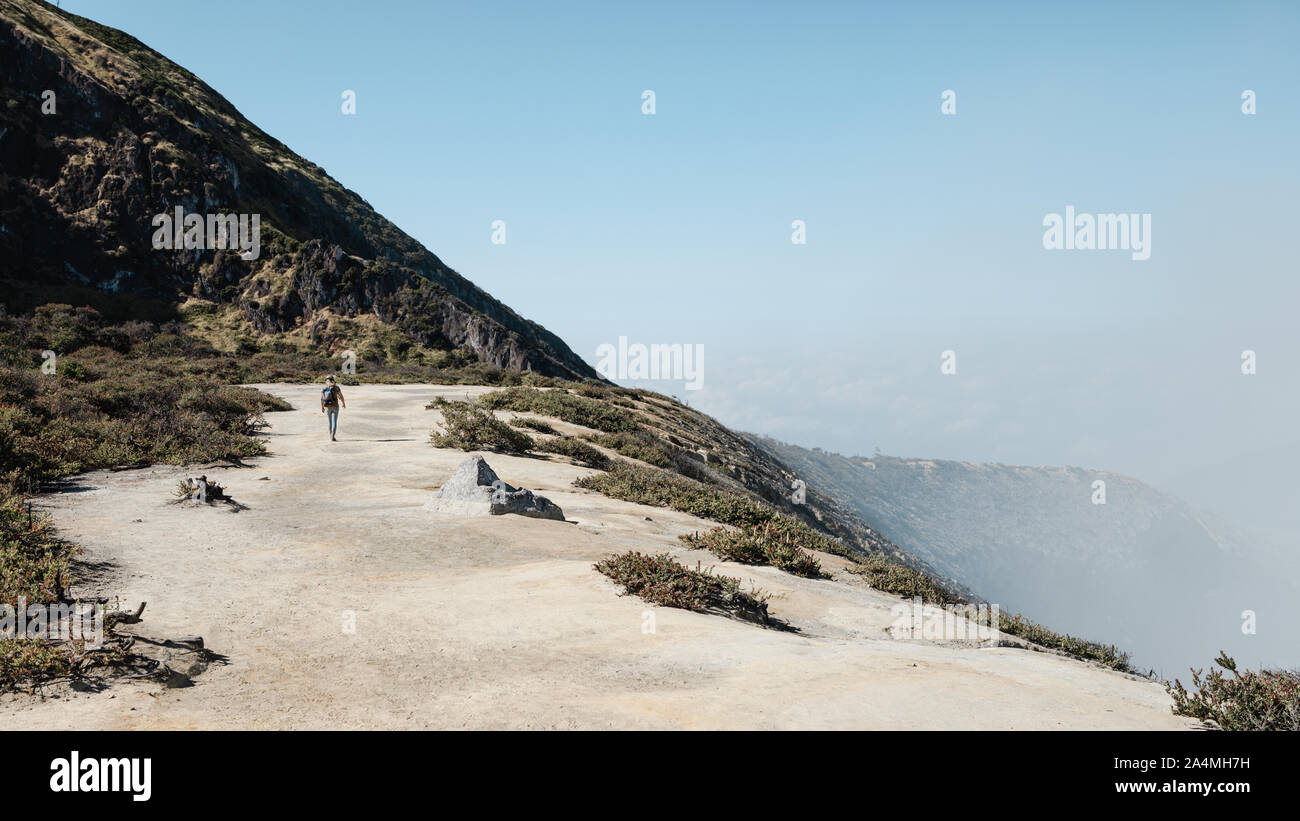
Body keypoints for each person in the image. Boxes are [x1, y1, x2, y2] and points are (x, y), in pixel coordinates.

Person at [320, 376, 346, 441]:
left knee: (329, 422)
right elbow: (341, 396)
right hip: (335, 406)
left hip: (327, 407)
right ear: (333, 380)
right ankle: (332, 437)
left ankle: (330, 436)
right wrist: (343, 403)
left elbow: (321, 399)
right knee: (334, 422)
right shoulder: (336, 388)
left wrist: (322, 407)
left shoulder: (324, 388)